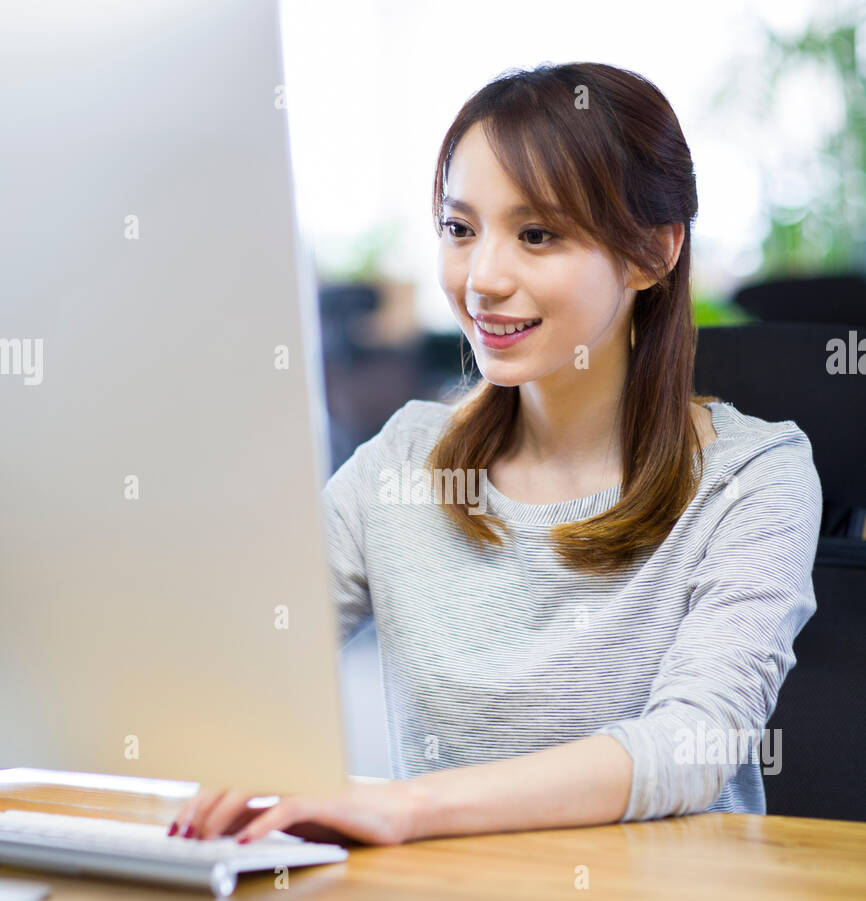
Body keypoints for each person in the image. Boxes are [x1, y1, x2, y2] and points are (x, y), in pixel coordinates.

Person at [171, 62, 821, 847]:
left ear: (653, 253)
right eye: (460, 229)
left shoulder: (752, 478)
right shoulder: (403, 464)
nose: (482, 279)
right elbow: (245, 649)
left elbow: (693, 745)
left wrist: (403, 806)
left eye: (537, 234)